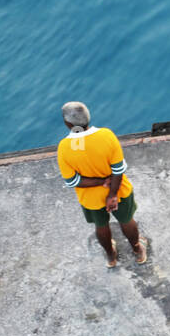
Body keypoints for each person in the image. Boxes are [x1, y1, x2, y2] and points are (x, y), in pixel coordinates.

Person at [56, 102, 147, 268]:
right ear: (88, 117)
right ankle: (137, 250)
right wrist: (112, 195)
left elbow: (73, 181)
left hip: (90, 199)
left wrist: (99, 182)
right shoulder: (106, 135)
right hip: (119, 191)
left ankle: (111, 256)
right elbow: (118, 170)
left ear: (67, 123)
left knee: (101, 226)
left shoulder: (64, 147)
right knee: (127, 220)